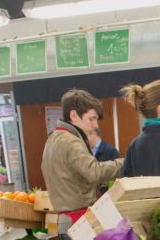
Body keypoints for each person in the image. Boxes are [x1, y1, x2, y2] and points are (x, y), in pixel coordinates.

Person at [41, 89, 123, 221]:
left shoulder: (53, 138)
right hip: (79, 218)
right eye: (91, 119)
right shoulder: (71, 141)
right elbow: (94, 172)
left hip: (65, 218)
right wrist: (127, 162)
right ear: (74, 115)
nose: (95, 125)